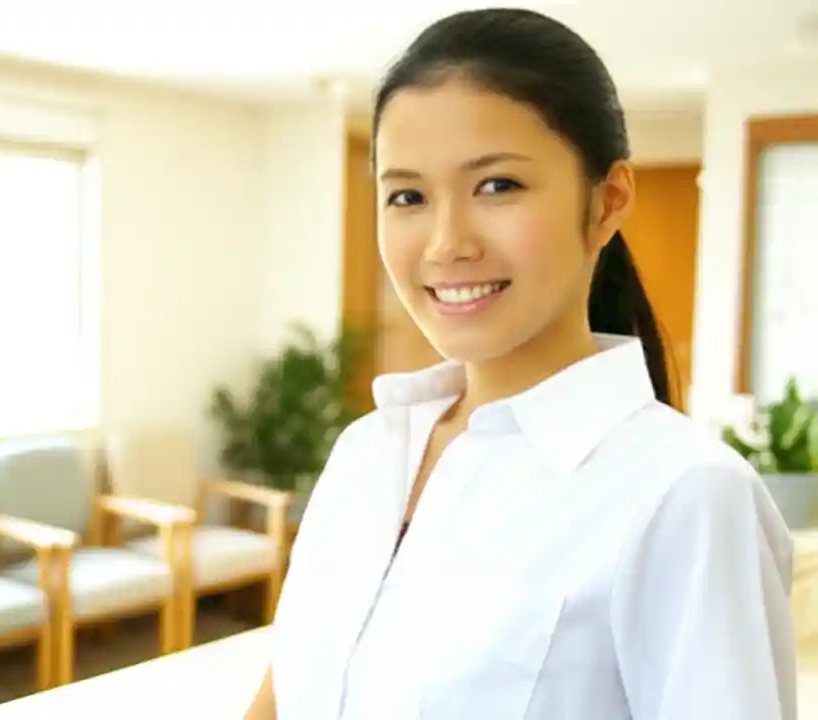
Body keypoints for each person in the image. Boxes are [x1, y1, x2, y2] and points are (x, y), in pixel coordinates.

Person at [244, 8, 796, 720]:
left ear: (607, 202)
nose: (447, 243)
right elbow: (290, 687)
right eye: (407, 195)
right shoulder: (367, 452)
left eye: (497, 186)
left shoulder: (686, 496)